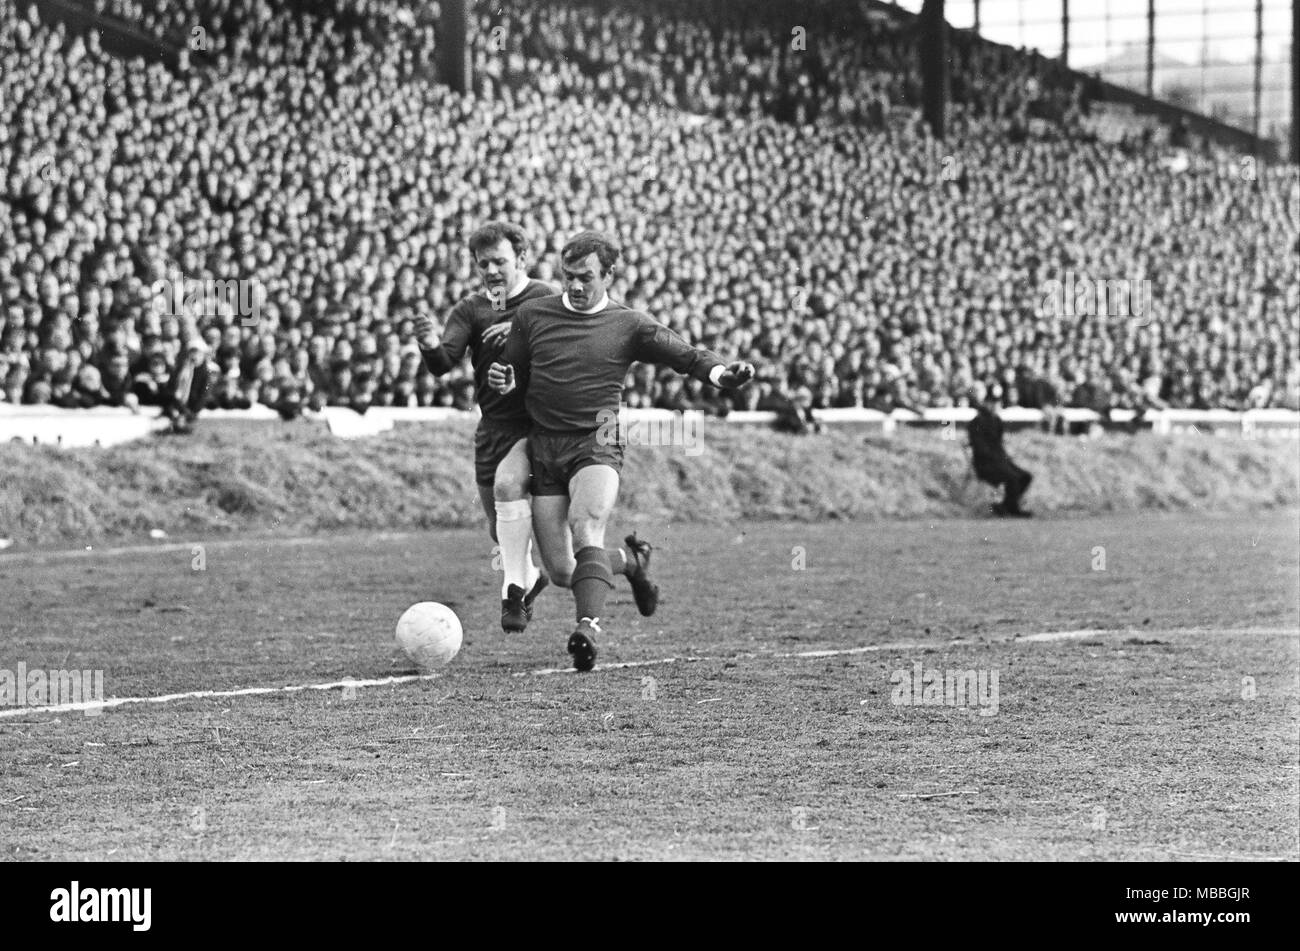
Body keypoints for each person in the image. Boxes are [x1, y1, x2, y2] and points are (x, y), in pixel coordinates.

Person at [489, 231, 755, 671]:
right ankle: (632, 562)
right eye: (568, 276)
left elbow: (687, 356)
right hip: (544, 443)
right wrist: (506, 380)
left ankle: (587, 628)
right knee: (560, 571)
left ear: (609, 274)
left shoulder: (629, 324)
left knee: (586, 524)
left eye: (586, 277)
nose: (574, 286)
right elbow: (514, 373)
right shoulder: (533, 315)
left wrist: (723, 375)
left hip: (597, 441)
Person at [415, 222, 556, 633]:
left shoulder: (546, 298)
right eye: (483, 264)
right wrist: (428, 346)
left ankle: (512, 592)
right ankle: (530, 576)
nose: (492, 270)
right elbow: (444, 363)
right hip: (492, 427)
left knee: (510, 493)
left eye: (500, 261)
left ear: (522, 259)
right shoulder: (471, 309)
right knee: (500, 526)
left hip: (536, 426)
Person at [968, 383, 1034, 517]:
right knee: (1013, 478)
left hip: (999, 461)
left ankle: (1006, 506)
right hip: (985, 464)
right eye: (993, 402)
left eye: (997, 402)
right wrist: (999, 459)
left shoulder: (996, 420)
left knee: (1025, 477)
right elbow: (980, 448)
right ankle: (1012, 509)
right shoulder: (977, 422)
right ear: (986, 403)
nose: (996, 405)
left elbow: (998, 444)